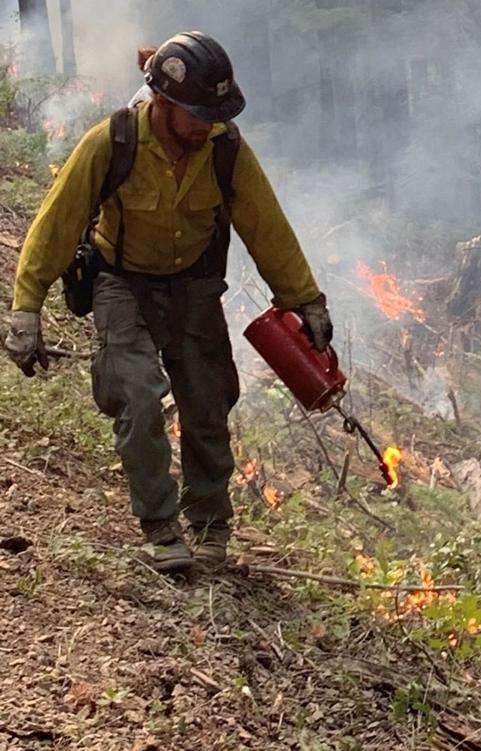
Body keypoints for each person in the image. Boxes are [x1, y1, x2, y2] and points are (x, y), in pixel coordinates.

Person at [4, 32, 332, 573]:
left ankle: (209, 525)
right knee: (135, 396)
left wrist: (306, 301)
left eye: (214, 111)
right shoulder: (111, 142)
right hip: (122, 283)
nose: (207, 122)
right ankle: (159, 527)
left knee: (207, 404)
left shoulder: (224, 147)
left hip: (193, 286)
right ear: (163, 101)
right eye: (197, 112)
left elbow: (265, 225)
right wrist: (26, 308)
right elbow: (56, 225)